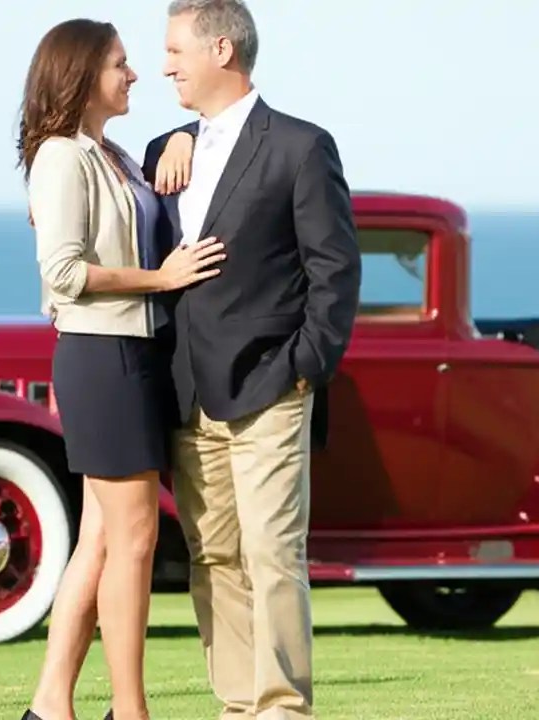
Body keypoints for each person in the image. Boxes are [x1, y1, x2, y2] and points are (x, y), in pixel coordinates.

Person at [140, 1, 362, 718]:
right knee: (213, 561)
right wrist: (178, 138)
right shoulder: (164, 149)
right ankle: (238, 705)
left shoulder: (301, 146)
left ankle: (281, 709)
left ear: (223, 51)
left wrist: (305, 365)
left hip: (271, 387)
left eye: (176, 50)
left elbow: (335, 270)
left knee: (272, 557)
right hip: (188, 393)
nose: (165, 64)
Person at [16, 17, 221, 720]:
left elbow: (159, 195)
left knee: (101, 539)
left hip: (132, 355)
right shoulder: (62, 158)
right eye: (119, 65)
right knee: (134, 536)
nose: (134, 75)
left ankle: (49, 705)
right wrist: (161, 281)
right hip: (105, 359)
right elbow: (64, 274)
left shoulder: (117, 155)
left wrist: (190, 138)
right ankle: (129, 711)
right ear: (79, 76)